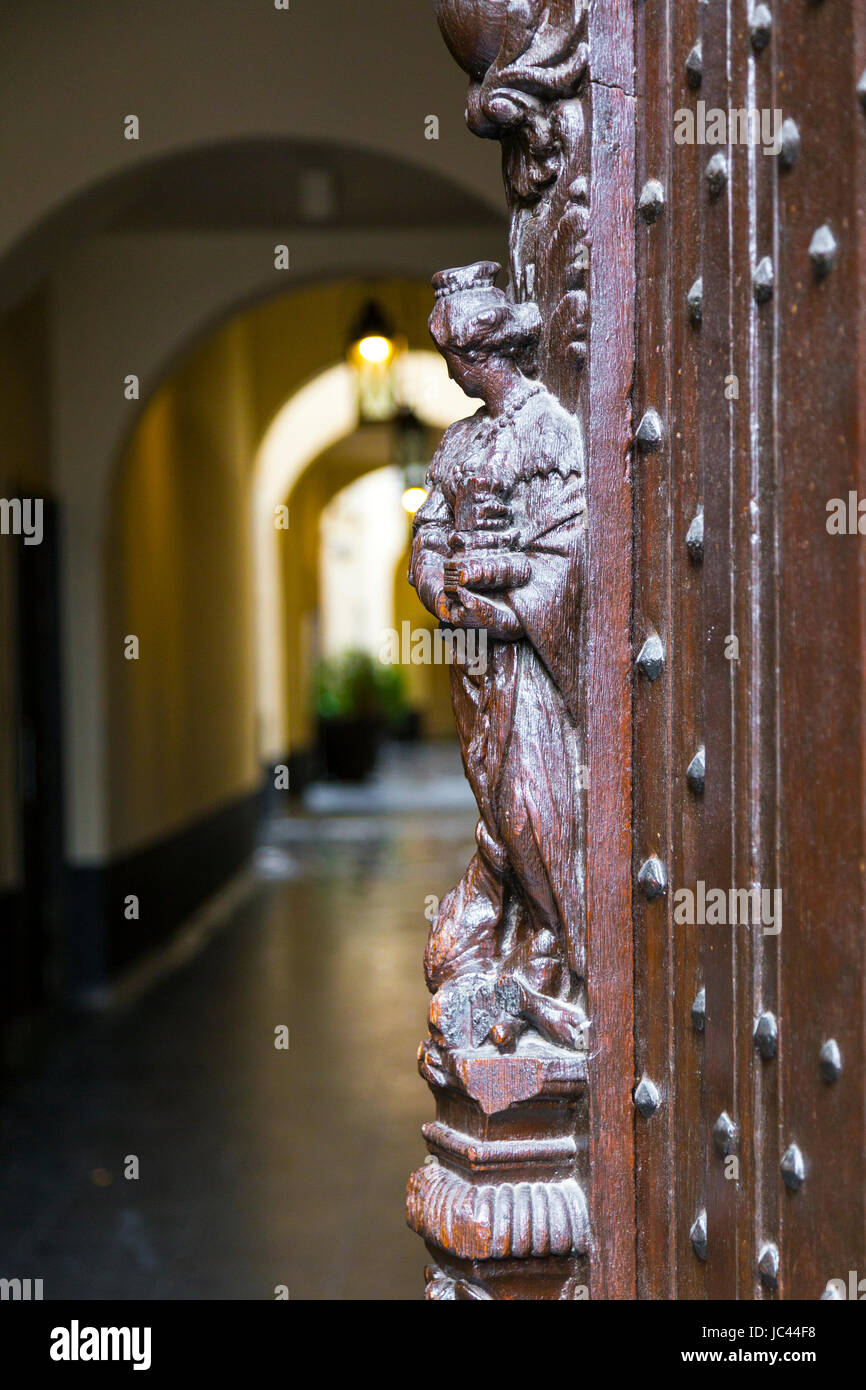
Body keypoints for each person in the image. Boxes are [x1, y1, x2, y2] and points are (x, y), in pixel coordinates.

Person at [410, 260, 588, 1053]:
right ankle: (525, 946)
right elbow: (430, 530)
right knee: (494, 800)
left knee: (530, 808)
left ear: (492, 352)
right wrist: (436, 581)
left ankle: (566, 958)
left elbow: (566, 550)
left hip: (524, 661)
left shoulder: (548, 428)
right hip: (475, 662)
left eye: (461, 360)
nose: (455, 375)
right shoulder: (460, 440)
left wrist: (506, 588)